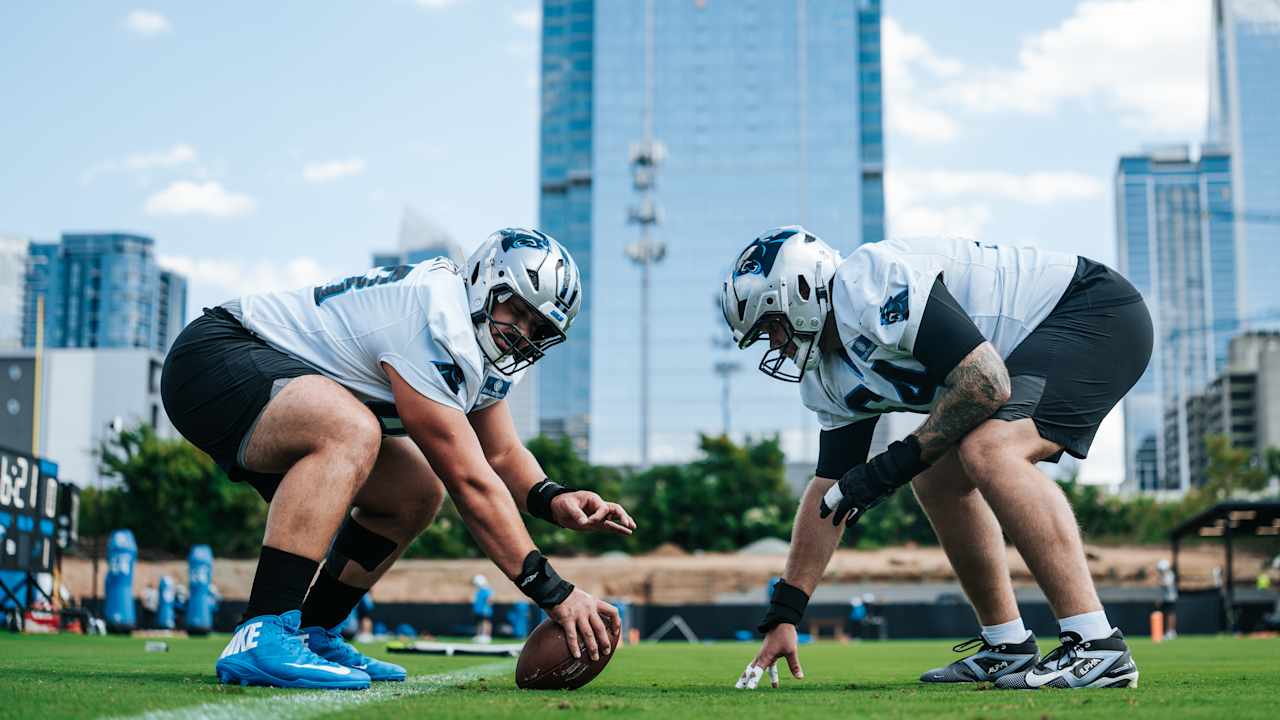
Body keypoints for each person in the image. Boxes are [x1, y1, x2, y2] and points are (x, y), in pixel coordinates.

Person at [162, 228, 636, 690]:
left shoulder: (474, 334)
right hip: (216, 356)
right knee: (350, 429)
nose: (522, 334)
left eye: (539, 330)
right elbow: (470, 482)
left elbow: (502, 452)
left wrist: (555, 499)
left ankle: (313, 630)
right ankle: (261, 630)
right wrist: (553, 591)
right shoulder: (437, 317)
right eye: (518, 312)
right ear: (487, 282)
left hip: (274, 375)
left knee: (414, 491)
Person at [727, 228, 1150, 691]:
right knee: (936, 480)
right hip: (1024, 353)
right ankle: (1006, 644)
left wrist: (890, 468)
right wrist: (786, 614)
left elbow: (986, 383)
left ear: (801, 294)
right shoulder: (827, 377)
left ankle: (1096, 644)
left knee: (990, 450)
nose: (773, 343)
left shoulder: (867, 284)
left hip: (1091, 309)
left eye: (771, 326)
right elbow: (830, 491)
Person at [1156, 559, 1177, 640]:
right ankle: (1167, 631)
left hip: (1171, 598)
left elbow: (1167, 584)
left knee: (1171, 615)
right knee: (1165, 615)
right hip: (1165, 599)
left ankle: (1171, 632)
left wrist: (1160, 581)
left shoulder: (1170, 575)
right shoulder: (1163, 576)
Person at [472, 574, 494, 643]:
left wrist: (486, 607)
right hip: (479, 610)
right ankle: (479, 635)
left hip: (485, 610)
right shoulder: (479, 590)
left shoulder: (486, 590)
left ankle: (486, 636)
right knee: (479, 623)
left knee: (486, 622)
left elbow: (489, 600)